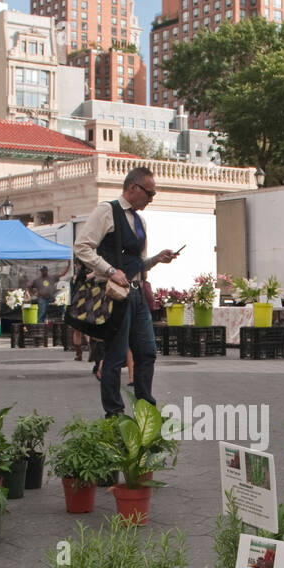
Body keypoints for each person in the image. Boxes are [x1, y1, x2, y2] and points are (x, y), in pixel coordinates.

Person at [73, 165, 178, 416]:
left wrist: (155, 259)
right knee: (116, 357)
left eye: (153, 195)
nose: (151, 199)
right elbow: (82, 247)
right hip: (115, 296)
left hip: (137, 293)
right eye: (149, 193)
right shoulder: (107, 211)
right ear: (133, 187)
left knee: (147, 353)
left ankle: (145, 411)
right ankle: (114, 413)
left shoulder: (140, 220)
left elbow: (135, 262)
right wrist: (109, 270)